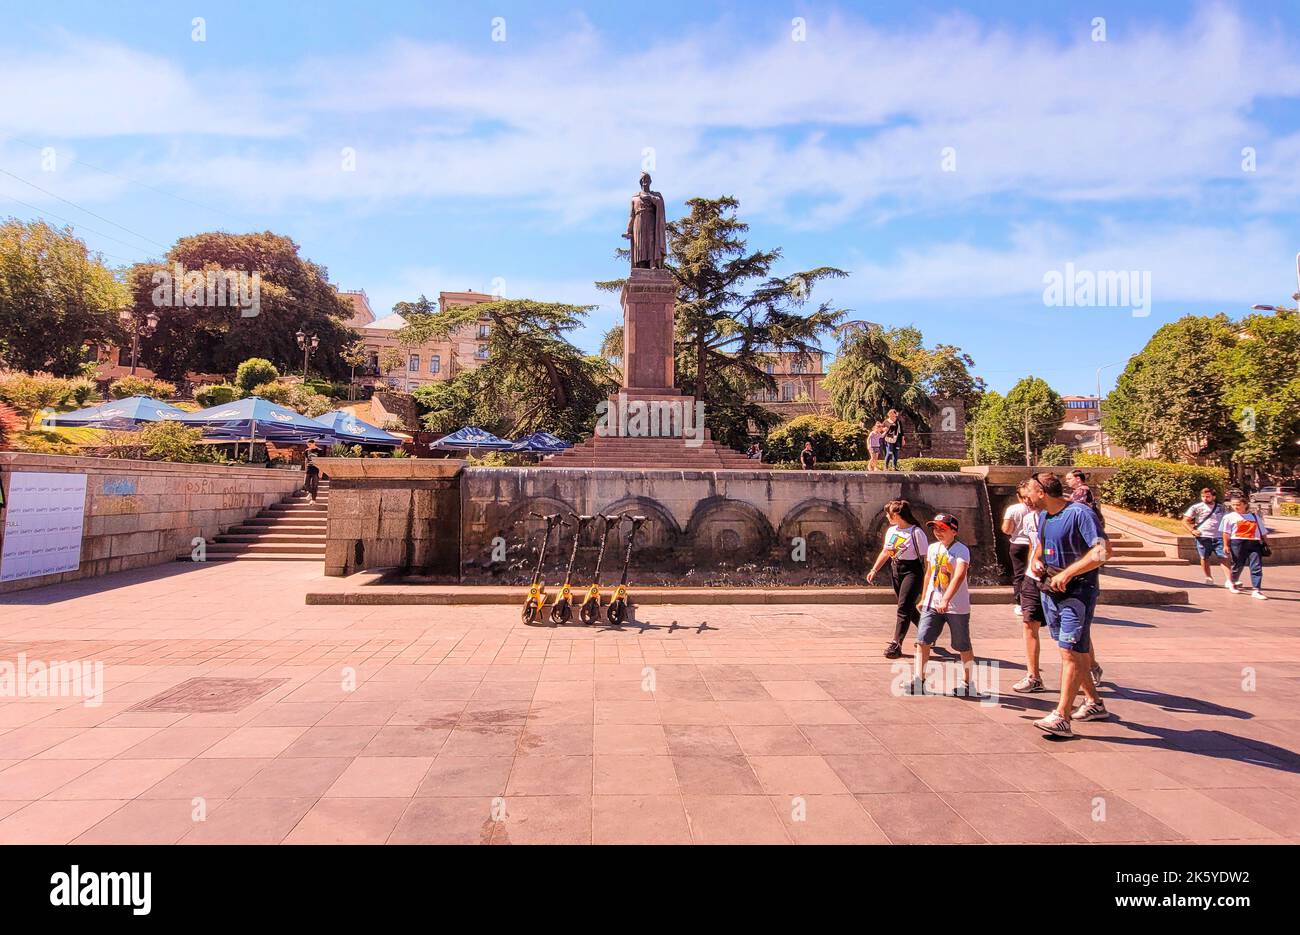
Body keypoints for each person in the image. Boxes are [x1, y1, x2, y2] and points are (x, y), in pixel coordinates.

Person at [1025, 473, 1110, 736]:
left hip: (1077, 592)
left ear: (1042, 492)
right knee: (1076, 652)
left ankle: (1062, 716)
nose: (1025, 495)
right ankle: (1094, 703)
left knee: (1069, 653)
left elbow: (1101, 552)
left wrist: (1068, 573)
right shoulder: (1044, 517)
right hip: (1050, 590)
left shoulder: (1079, 513)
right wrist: (1036, 561)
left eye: (1028, 490)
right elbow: (1040, 546)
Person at [913, 513, 978, 695]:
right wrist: (924, 597)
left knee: (962, 645)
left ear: (954, 531)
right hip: (932, 603)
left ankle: (967, 682)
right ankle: (919, 679)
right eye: (935, 528)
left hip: (957, 606)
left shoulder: (961, 550)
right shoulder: (933, 548)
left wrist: (946, 599)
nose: (938, 532)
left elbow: (959, 575)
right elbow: (929, 573)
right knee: (922, 640)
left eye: (942, 529)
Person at [866, 499, 929, 660]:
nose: (887, 516)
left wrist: (929, 581)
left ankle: (896, 644)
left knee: (903, 608)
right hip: (896, 569)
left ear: (896, 514)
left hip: (912, 571)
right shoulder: (892, 531)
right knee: (908, 607)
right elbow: (886, 552)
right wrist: (874, 569)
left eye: (888, 513)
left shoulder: (916, 532)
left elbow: (927, 558)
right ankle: (928, 630)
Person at [1011, 485, 1048, 693]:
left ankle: (1089, 666)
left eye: (1030, 497)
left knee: (1067, 632)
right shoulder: (1027, 519)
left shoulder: (1060, 516)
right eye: (1024, 498)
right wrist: (1030, 567)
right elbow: (1033, 545)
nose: (1027, 501)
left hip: (1056, 579)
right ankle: (1034, 676)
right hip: (1032, 578)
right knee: (1029, 624)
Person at [1220, 493, 1269, 599]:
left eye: (1238, 504)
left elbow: (1263, 532)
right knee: (1238, 564)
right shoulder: (1229, 517)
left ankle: (1256, 590)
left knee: (1256, 567)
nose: (1235, 507)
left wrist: (1266, 544)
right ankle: (1232, 582)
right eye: (1233, 505)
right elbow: (1226, 532)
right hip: (1237, 542)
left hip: (1254, 543)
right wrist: (1226, 545)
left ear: (1245, 504)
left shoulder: (1254, 516)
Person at [1183, 487, 1229, 586]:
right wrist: (1192, 530)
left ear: (1213, 497)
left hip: (1219, 536)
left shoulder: (1221, 507)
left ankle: (1229, 580)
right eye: (1203, 496)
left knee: (1224, 557)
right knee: (1204, 557)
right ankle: (1208, 577)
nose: (1205, 498)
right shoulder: (1196, 507)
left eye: (1208, 497)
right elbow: (1185, 520)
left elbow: (1227, 521)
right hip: (1203, 536)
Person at [1002, 483, 1033, 618]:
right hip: (1035, 545)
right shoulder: (1038, 509)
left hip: (1018, 544)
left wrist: (1015, 530)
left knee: (1019, 574)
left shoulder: (1013, 509)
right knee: (1035, 573)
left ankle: (1020, 604)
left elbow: (1006, 529)